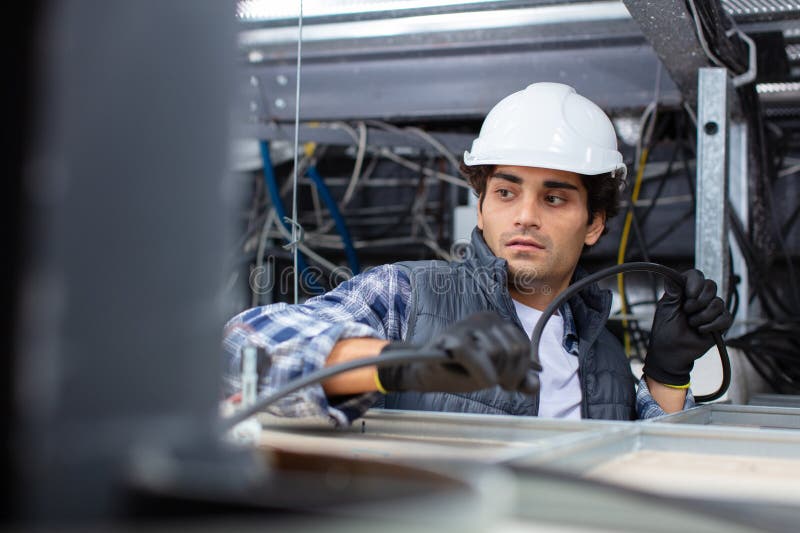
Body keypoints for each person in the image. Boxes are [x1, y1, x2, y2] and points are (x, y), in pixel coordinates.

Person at [222, 82, 732, 426]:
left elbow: (655, 462)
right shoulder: (407, 293)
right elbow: (244, 349)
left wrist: (667, 370)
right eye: (506, 193)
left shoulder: (604, 357)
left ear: (595, 222)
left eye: (554, 197)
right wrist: (413, 365)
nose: (526, 215)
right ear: (482, 208)